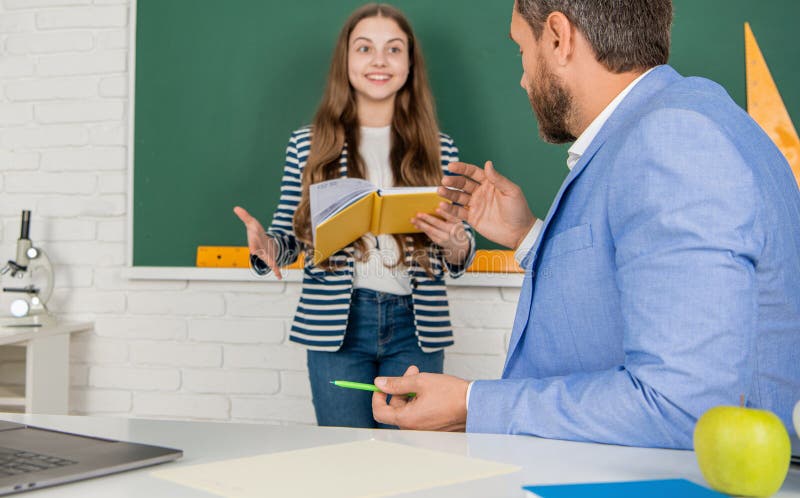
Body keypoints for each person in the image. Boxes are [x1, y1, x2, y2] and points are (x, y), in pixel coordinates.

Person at [371, 0, 800, 449]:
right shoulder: (689, 118)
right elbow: (643, 286)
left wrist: (472, 403)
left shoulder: (674, 140)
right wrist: (527, 236)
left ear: (559, 37)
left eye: (522, 49)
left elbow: (680, 405)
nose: (522, 78)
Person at [234, 3, 475, 429]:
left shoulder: (442, 148)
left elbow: (461, 245)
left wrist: (456, 243)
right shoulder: (307, 145)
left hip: (416, 327)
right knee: (344, 458)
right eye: (364, 48)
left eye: (393, 49)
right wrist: (267, 247)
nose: (379, 61)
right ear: (345, 62)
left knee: (414, 457)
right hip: (336, 327)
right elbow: (288, 237)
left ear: (409, 64)